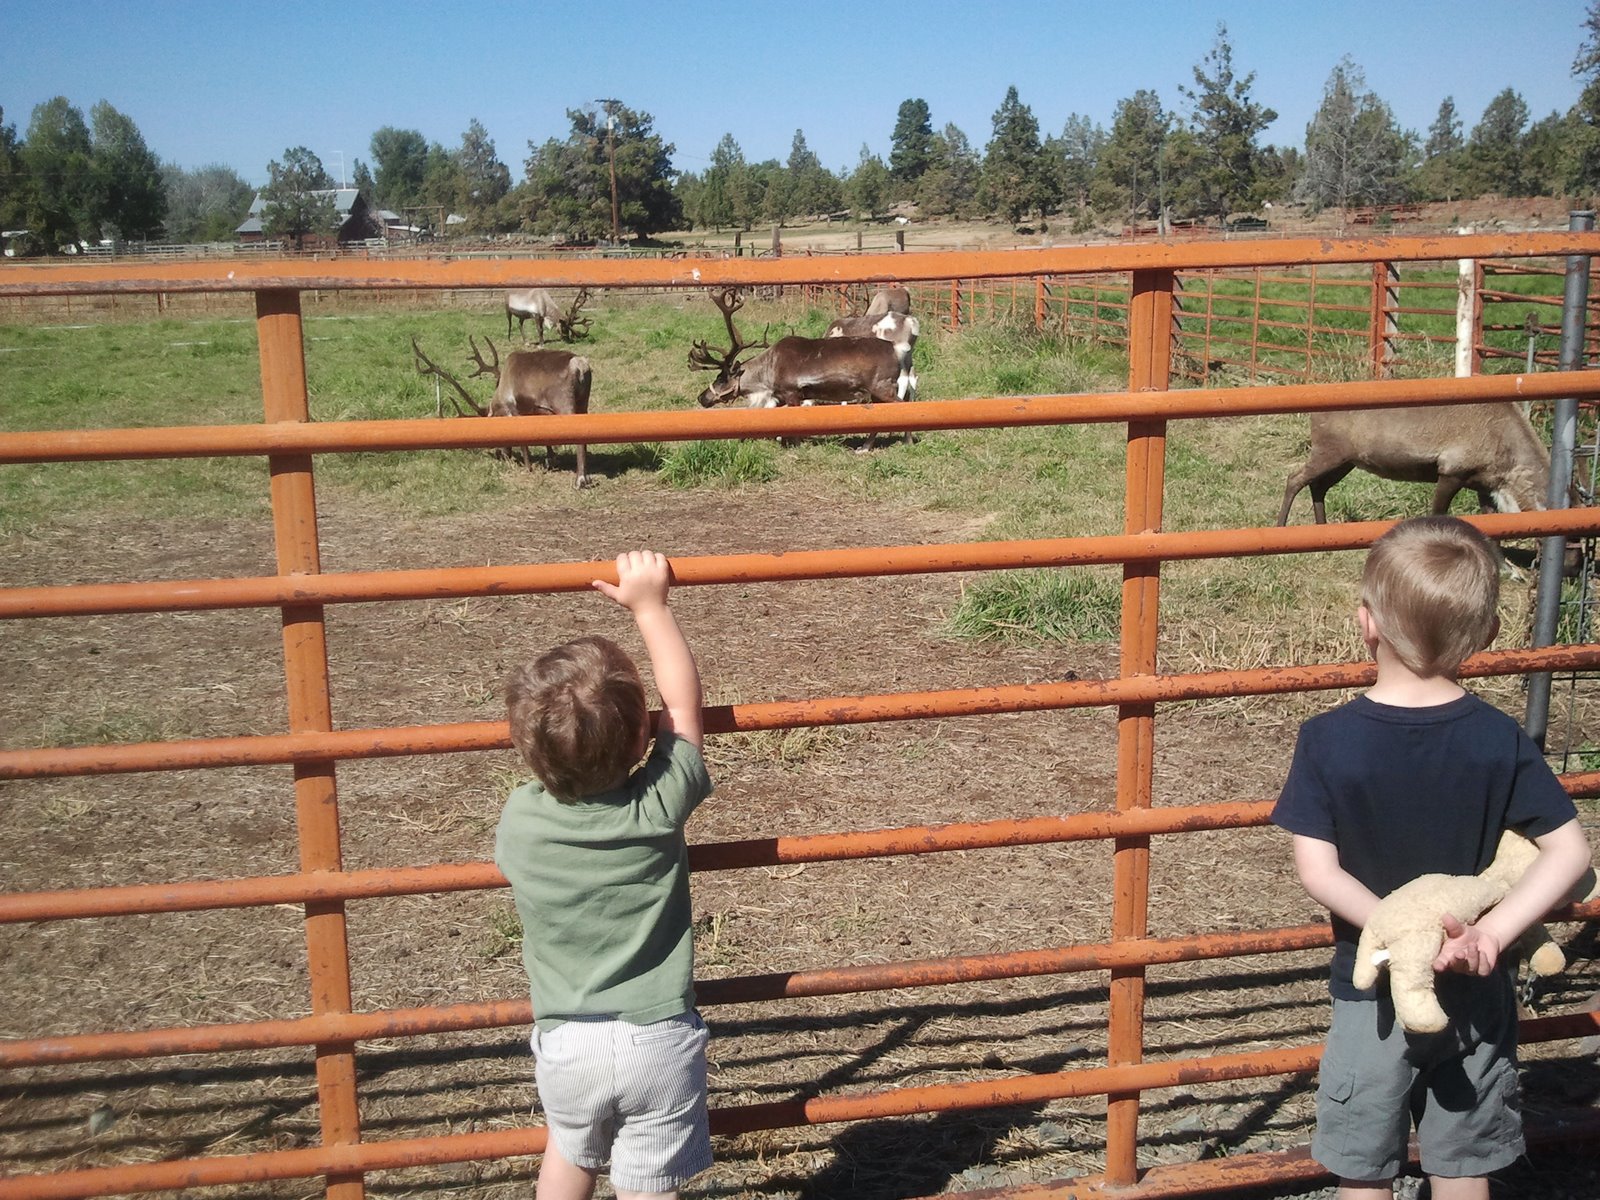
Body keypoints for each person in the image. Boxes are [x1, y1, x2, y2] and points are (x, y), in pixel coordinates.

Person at [1272, 515, 1591, 1200]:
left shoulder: (1327, 740)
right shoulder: (1498, 739)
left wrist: (1398, 927)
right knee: (1462, 1165)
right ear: (1488, 636)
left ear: (1367, 623)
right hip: (1477, 987)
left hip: (1372, 991)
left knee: (1363, 1168)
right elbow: (1569, 851)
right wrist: (1490, 935)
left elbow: (1317, 871)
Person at [496, 549, 713, 1200]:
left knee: (569, 1155)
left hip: (569, 1040)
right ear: (643, 739)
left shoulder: (520, 825)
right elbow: (684, 708)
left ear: (526, 749)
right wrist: (651, 607)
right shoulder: (658, 803)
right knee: (651, 1186)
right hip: (658, 1037)